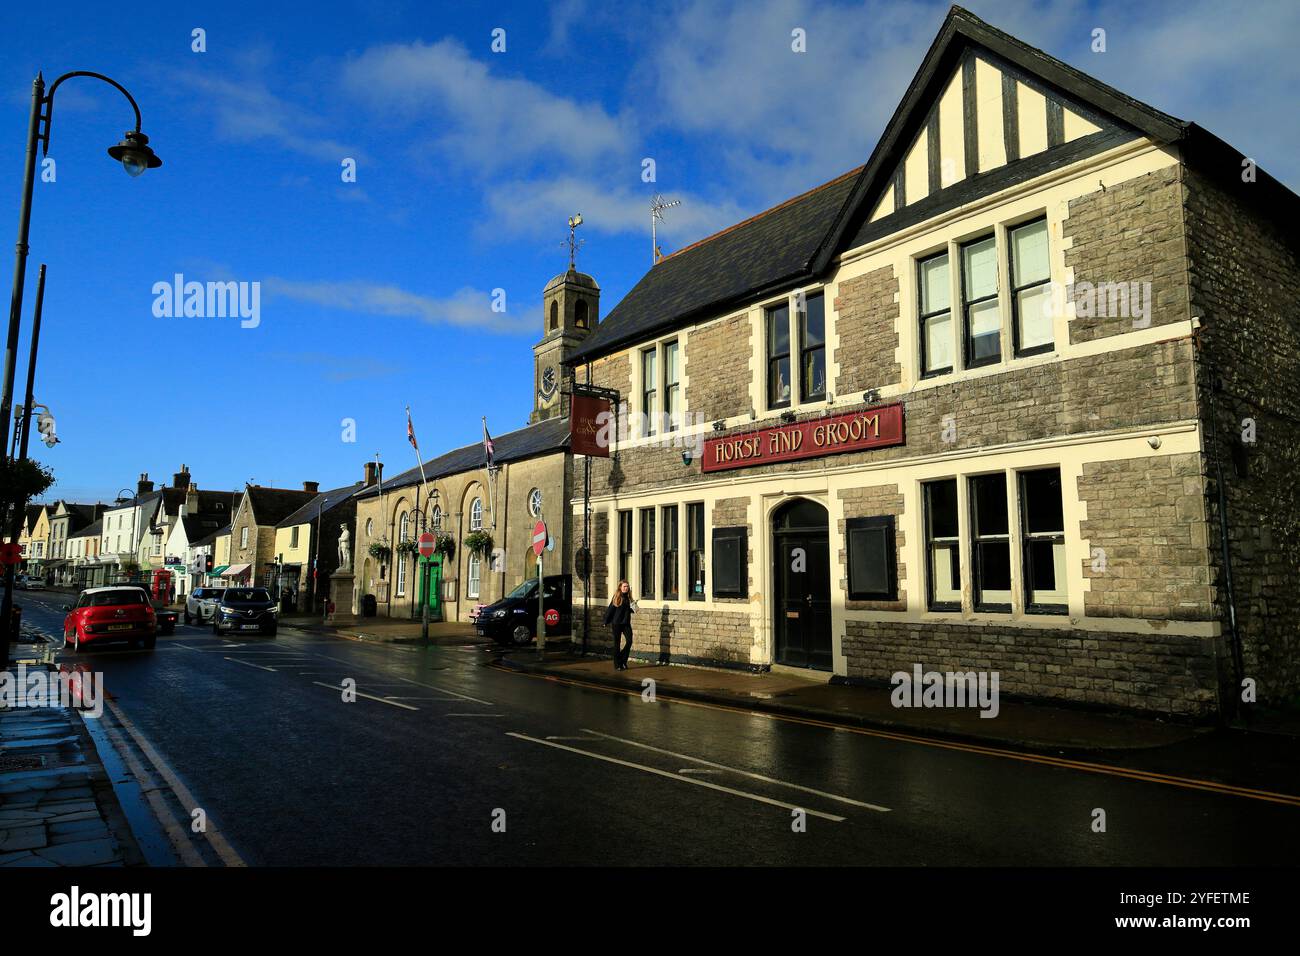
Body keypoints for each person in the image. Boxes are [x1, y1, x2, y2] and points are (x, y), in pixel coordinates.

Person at [603, 579, 636, 671]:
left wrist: (634, 607)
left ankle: (623, 660)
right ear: (620, 587)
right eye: (624, 586)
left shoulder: (629, 598)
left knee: (629, 641)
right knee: (617, 644)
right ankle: (617, 664)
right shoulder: (617, 597)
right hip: (617, 623)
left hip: (626, 623)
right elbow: (610, 610)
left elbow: (632, 610)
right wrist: (605, 621)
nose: (626, 588)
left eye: (627, 586)